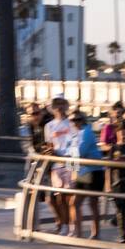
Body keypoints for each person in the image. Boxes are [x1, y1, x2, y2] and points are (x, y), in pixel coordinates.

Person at [69, 111, 103, 240]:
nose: (75, 122)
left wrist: (69, 156)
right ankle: (78, 232)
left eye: (77, 119)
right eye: (72, 120)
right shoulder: (74, 134)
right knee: (75, 202)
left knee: (93, 203)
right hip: (81, 171)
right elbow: (71, 152)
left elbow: (79, 151)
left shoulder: (86, 132)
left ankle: (95, 232)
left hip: (93, 170)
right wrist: (72, 171)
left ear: (83, 120)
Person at [44, 97, 75, 235]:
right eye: (56, 105)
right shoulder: (49, 126)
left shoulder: (72, 122)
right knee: (59, 196)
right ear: (53, 107)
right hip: (57, 163)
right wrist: (50, 152)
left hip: (71, 162)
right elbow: (49, 145)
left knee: (71, 196)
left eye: (62, 104)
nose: (59, 107)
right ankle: (64, 224)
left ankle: (73, 225)